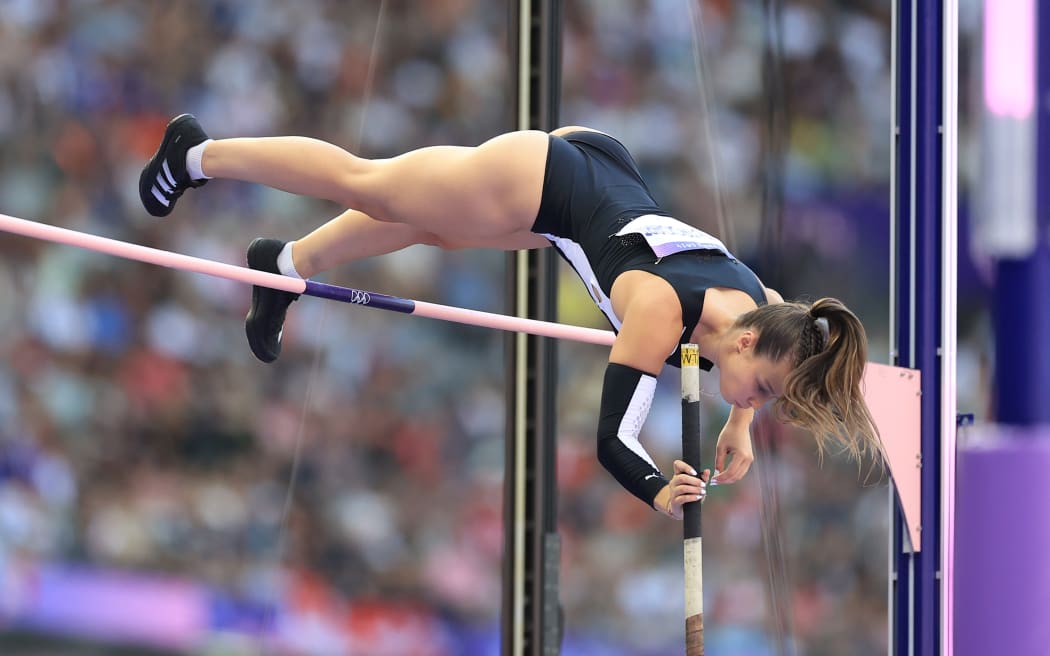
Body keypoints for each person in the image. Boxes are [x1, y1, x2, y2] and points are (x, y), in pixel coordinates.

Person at [139, 114, 881, 520]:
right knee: (370, 185)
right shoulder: (660, 314)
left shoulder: (761, 309)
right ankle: (197, 153)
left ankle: (286, 265)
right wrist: (657, 488)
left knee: (430, 223)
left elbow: (752, 361)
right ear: (748, 341)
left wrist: (737, 422)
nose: (758, 401)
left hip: (589, 186)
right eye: (763, 390)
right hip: (539, 181)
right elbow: (612, 439)